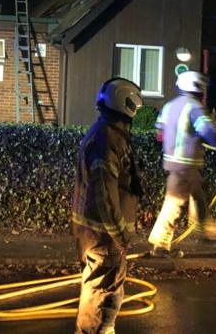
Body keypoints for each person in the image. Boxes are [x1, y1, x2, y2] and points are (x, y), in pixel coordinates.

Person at [71, 78, 144, 334]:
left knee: (102, 290)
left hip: (95, 231)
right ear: (126, 102)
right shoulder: (108, 139)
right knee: (101, 292)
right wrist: (119, 233)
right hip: (104, 234)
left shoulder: (106, 132)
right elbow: (105, 191)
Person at [148, 71, 216, 255]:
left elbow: (160, 134)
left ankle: (206, 233)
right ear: (199, 89)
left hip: (173, 162)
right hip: (185, 164)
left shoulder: (169, 106)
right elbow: (209, 132)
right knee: (174, 202)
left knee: (199, 195)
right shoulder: (194, 108)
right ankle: (160, 244)